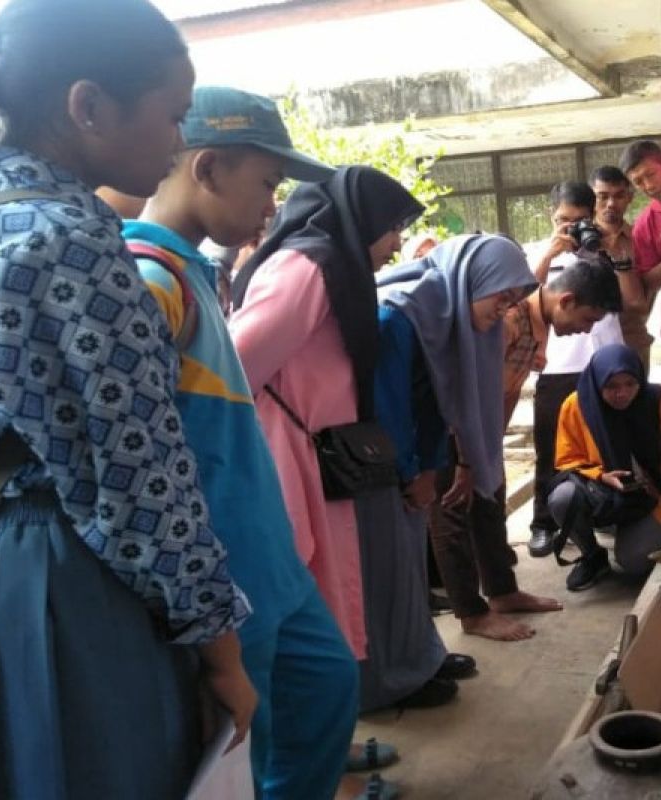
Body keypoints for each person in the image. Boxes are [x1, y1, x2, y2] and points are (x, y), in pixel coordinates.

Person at [0, 2, 257, 798]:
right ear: (88, 107)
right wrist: (221, 651)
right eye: (173, 114)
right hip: (60, 590)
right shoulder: (71, 245)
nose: (180, 141)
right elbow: (140, 486)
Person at [124, 86, 365, 800]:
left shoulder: (198, 276)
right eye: (266, 183)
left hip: (270, 563)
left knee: (327, 688)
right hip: (223, 579)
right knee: (234, 751)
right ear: (207, 169)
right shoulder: (146, 280)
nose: (273, 205)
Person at [229, 166, 431, 792]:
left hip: (315, 459)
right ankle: (299, 761)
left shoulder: (332, 269)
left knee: (322, 627)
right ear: (361, 221)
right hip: (288, 462)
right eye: (392, 229)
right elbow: (235, 364)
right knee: (303, 631)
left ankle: (320, 746)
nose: (397, 244)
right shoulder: (307, 269)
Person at [367, 234, 538, 707]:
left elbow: (446, 401)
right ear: (473, 277)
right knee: (387, 575)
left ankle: (418, 661)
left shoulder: (447, 317)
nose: (506, 309)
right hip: (381, 468)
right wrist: (414, 473)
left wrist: (447, 460)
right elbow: (390, 408)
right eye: (502, 294)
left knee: (408, 573)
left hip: (417, 459)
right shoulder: (398, 314)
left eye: (515, 300)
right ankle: (393, 680)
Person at [429, 257, 623, 640]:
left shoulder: (539, 324)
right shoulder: (508, 321)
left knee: (489, 503)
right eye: (586, 320)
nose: (585, 331)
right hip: (446, 426)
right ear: (565, 299)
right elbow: (464, 389)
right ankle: (471, 614)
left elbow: (508, 387)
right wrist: (467, 455)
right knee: (451, 513)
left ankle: (502, 592)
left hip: (479, 430)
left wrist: (491, 445)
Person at [525, 181, 627, 559]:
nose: (571, 229)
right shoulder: (541, 253)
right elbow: (522, 299)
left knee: (607, 440)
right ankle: (543, 522)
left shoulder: (607, 249)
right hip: (557, 366)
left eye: (578, 221)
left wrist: (609, 250)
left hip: (603, 359)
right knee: (548, 447)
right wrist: (550, 254)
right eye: (561, 221)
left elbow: (629, 300)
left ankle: (606, 512)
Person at [550, 343, 661, 591]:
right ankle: (592, 556)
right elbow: (567, 459)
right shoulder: (576, 405)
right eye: (611, 386)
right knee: (562, 499)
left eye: (630, 384)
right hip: (601, 495)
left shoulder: (656, 398)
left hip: (648, 497)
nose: (622, 393)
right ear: (597, 382)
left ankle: (635, 532)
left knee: (634, 562)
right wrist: (601, 476)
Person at [591, 165, 653, 369]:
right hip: (588, 344)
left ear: (629, 198)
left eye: (618, 196)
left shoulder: (641, 238)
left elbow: (649, 285)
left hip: (633, 342)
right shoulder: (579, 240)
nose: (610, 204)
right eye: (602, 196)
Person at [621, 140, 661, 359]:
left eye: (650, 174)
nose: (648, 186)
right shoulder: (645, 223)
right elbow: (646, 282)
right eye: (638, 182)